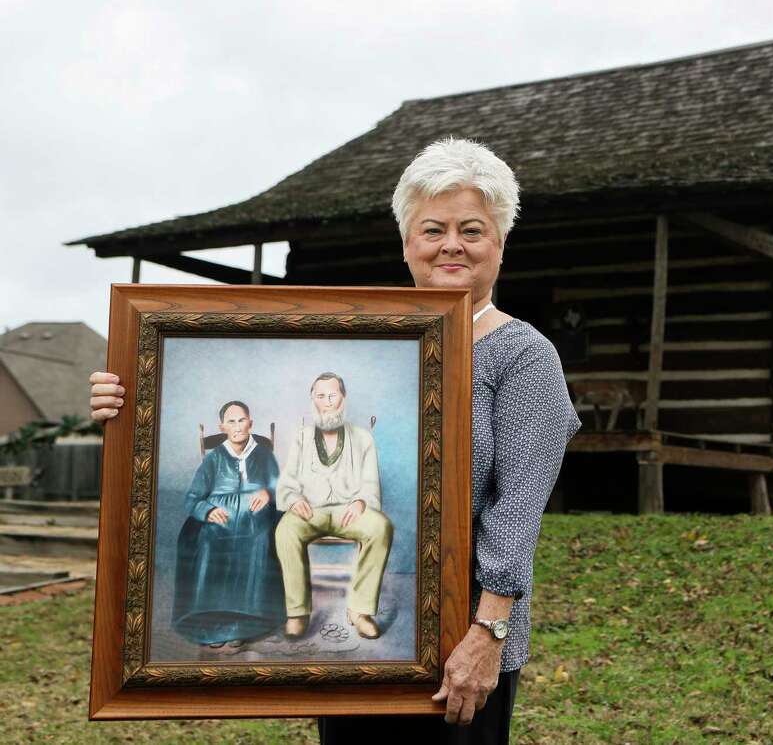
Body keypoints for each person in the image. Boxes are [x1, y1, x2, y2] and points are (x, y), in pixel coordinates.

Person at [90, 137, 581, 744]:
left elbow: (517, 512)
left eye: (472, 230)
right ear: (407, 244)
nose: (451, 244)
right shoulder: (369, 338)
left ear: (500, 243)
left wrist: (488, 634)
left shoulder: (524, 355)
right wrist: (132, 399)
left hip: (464, 641)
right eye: (433, 229)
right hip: (355, 674)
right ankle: (294, 612)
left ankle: (363, 607)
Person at [275, 371, 393, 641]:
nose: (326, 401)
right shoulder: (302, 437)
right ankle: (297, 612)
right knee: (285, 530)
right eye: (320, 396)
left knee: (380, 527)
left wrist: (362, 501)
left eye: (332, 395)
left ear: (343, 398)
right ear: (312, 400)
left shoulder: (363, 437)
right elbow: (288, 482)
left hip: (348, 511)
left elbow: (370, 482)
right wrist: (294, 500)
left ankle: (360, 611)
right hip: (310, 511)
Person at [173, 400, 286, 648]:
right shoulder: (213, 460)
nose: (237, 426)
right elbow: (192, 498)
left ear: (250, 423)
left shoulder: (265, 454)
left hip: (257, 518)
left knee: (261, 538)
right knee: (209, 538)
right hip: (219, 522)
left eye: (242, 420)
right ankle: (212, 619)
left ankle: (247, 622)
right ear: (222, 426)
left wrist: (268, 492)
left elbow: (282, 486)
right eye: (231, 421)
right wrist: (208, 509)